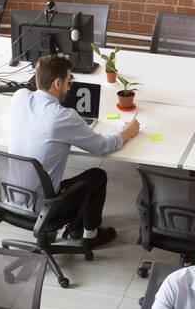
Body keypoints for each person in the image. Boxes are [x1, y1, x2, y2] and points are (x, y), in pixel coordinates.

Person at [9, 53, 141, 248]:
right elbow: (102, 147)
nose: (70, 87)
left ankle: (75, 227)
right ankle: (90, 235)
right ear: (57, 83)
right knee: (97, 175)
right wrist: (128, 132)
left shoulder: (19, 97)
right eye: (69, 82)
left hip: (9, 196)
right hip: (43, 205)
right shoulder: (62, 116)